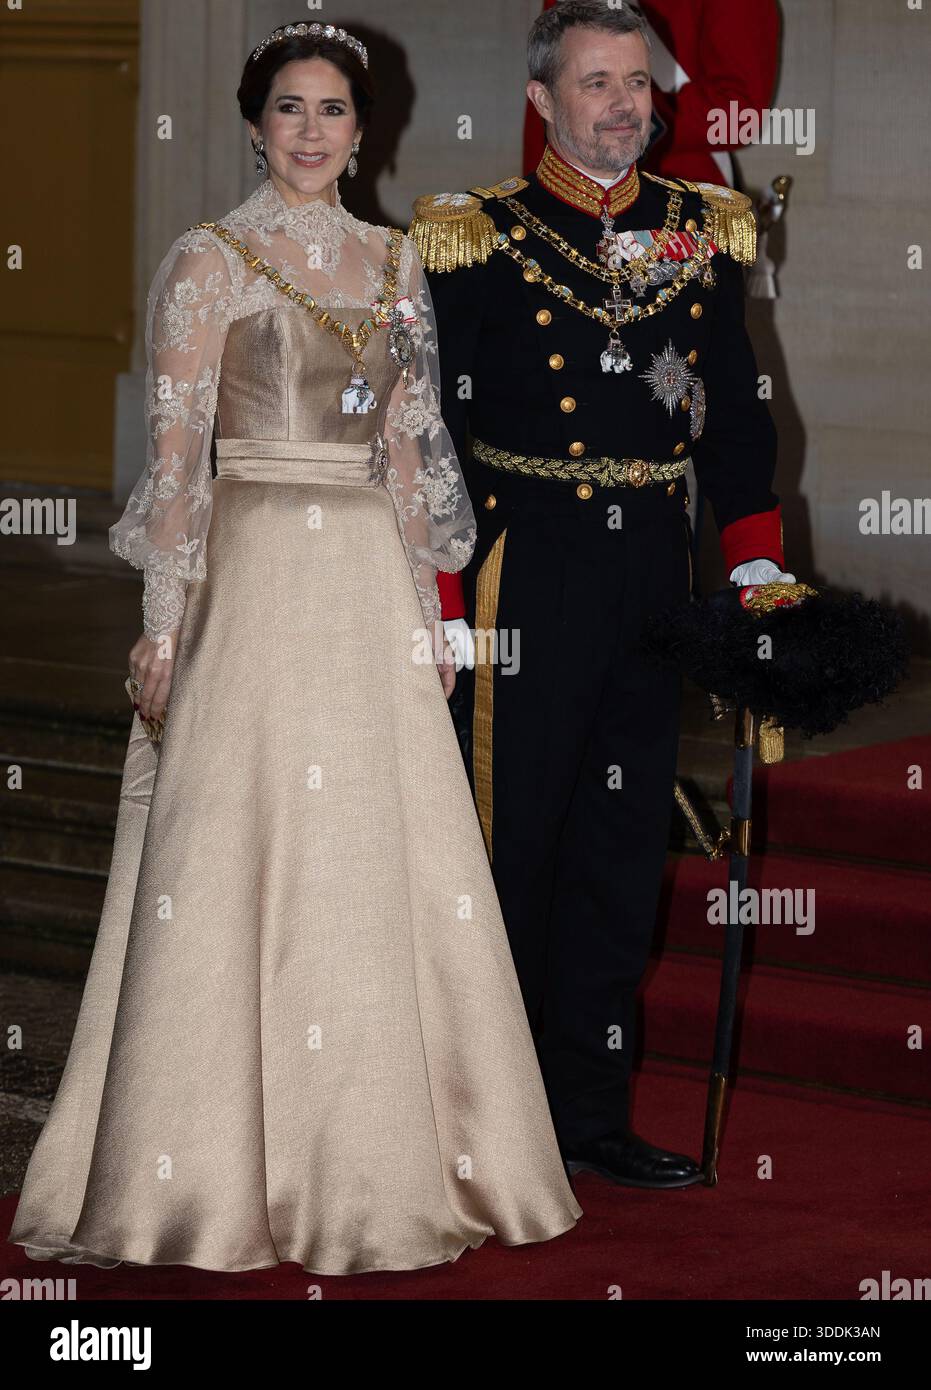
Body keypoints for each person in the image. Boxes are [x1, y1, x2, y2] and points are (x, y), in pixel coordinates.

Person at [8, 20, 581, 1276]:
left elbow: (417, 445)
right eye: (288, 108)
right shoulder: (204, 261)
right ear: (254, 123)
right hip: (253, 577)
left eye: (331, 111)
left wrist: (438, 612)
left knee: (375, 853)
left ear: (361, 131)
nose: (311, 131)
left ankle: (388, 1153)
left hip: (368, 580)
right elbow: (174, 468)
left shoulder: (393, 260)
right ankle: (200, 1165)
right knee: (233, 849)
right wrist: (162, 630)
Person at [412, 0, 794, 1188]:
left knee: (621, 851)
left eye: (638, 84)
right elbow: (435, 443)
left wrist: (754, 565)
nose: (623, 105)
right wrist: (436, 605)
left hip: (651, 571)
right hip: (524, 571)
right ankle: (481, 1118)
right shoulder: (478, 238)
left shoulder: (698, 230)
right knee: (510, 844)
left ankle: (587, 1115)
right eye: (595, 83)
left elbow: (731, 417)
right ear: (542, 101)